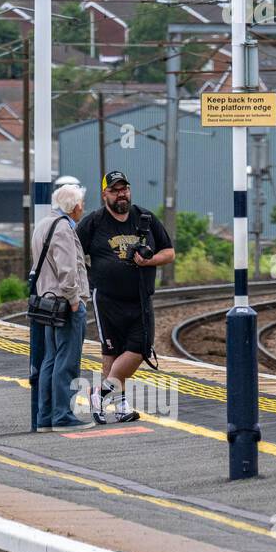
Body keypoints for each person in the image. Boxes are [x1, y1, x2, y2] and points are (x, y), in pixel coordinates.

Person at [76, 170, 175, 424]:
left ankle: (99, 393)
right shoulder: (94, 222)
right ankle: (119, 407)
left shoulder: (145, 219)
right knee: (111, 352)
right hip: (107, 299)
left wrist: (150, 259)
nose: (121, 194)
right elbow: (73, 251)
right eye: (115, 190)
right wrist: (86, 279)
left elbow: (169, 252)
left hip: (140, 299)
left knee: (139, 348)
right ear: (105, 194)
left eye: (124, 189)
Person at [30, 182, 91, 431]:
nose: (83, 209)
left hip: (47, 303)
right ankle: (63, 415)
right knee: (67, 361)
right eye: (82, 205)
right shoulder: (64, 228)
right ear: (75, 207)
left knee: (50, 360)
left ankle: (45, 417)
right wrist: (75, 301)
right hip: (65, 304)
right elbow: (68, 270)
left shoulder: (44, 224)